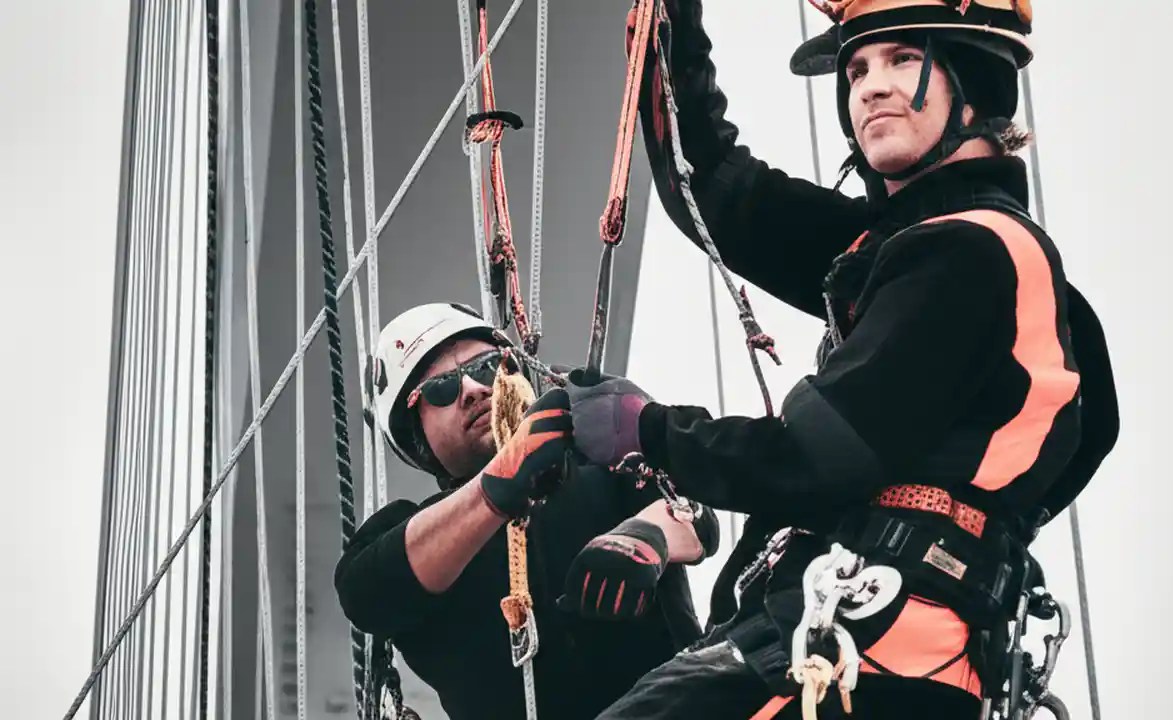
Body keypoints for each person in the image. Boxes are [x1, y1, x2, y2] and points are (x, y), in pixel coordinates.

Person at [562, 0, 1120, 717]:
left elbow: (814, 457)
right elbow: (716, 191)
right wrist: (671, 22)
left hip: (858, 649)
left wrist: (649, 431)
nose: (871, 87)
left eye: (902, 60)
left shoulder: (968, 252)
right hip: (864, 646)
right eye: (856, 69)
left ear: (974, 85)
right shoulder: (917, 255)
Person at [332, 302, 720, 720]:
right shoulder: (404, 532)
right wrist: (494, 490)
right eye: (442, 389)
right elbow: (367, 592)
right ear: (416, 433)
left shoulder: (601, 462)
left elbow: (695, 518)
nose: (474, 390)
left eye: (486, 368)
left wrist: (646, 536)